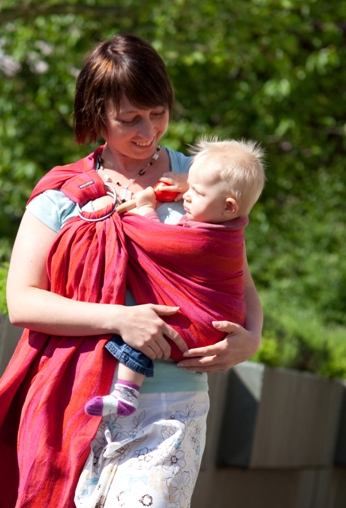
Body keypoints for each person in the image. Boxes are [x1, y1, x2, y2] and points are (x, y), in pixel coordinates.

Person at [6, 35, 263, 508]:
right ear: (96, 115)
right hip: (80, 407)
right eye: (129, 121)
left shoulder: (199, 179)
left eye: (156, 116)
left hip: (170, 412)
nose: (148, 136)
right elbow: (23, 300)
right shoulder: (60, 195)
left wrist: (248, 339)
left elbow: (237, 278)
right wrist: (116, 315)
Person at [83, 137, 265, 420]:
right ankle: (124, 394)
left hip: (201, 327)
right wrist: (188, 182)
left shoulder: (206, 240)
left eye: (197, 193)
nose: (187, 196)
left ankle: (125, 393)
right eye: (188, 188)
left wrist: (143, 210)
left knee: (142, 332)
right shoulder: (226, 226)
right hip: (217, 324)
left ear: (229, 207)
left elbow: (158, 242)